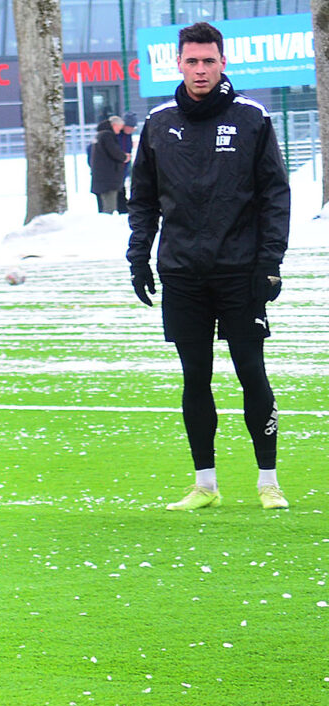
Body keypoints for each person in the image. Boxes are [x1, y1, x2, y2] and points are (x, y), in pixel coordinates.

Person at [127, 21, 291, 510]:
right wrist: (139, 257)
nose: (200, 70)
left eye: (209, 61)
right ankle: (205, 484)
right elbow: (144, 200)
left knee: (251, 373)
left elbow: (274, 198)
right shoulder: (158, 123)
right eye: (192, 61)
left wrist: (270, 263)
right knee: (194, 377)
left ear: (224, 64)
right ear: (177, 64)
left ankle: (268, 482)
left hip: (240, 273)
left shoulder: (252, 118)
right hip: (182, 274)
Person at [89, 116, 129, 214]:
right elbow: (115, 152)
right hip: (108, 179)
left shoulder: (99, 135)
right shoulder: (108, 136)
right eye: (120, 127)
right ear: (114, 125)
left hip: (100, 178)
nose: (120, 129)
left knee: (103, 207)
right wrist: (125, 157)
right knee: (109, 207)